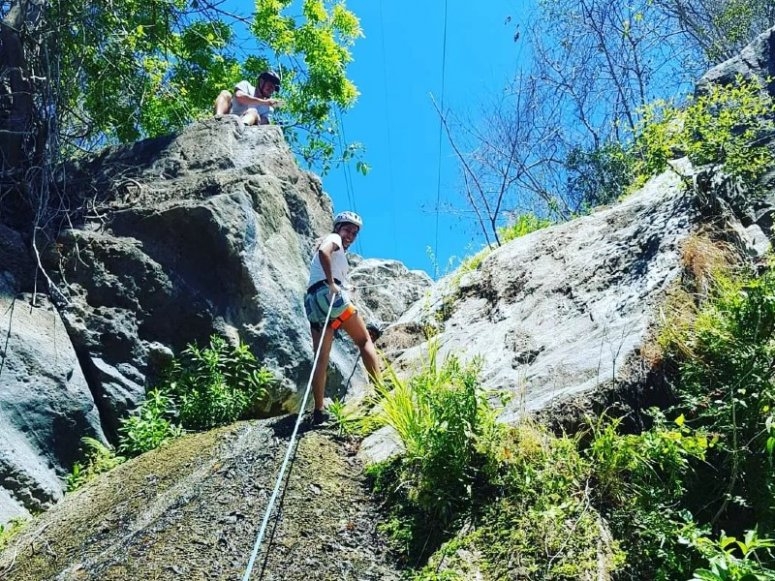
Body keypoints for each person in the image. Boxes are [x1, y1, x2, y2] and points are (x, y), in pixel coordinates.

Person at [304, 211, 382, 425]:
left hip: (313, 301)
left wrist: (342, 285)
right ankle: (381, 390)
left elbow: (326, 265)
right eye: (348, 230)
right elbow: (324, 252)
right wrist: (332, 283)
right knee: (364, 340)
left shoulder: (337, 254)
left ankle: (318, 411)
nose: (351, 236)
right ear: (338, 228)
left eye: (354, 233)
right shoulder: (333, 238)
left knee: (321, 357)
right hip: (329, 296)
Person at [213, 70, 283, 126]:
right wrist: (264, 102)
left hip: (244, 127)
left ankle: (239, 127)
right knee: (225, 94)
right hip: (227, 118)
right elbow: (239, 96)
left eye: (273, 88)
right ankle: (217, 120)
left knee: (253, 112)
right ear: (261, 82)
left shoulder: (269, 109)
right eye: (270, 86)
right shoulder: (246, 85)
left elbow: (264, 122)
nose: (271, 90)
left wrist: (254, 117)